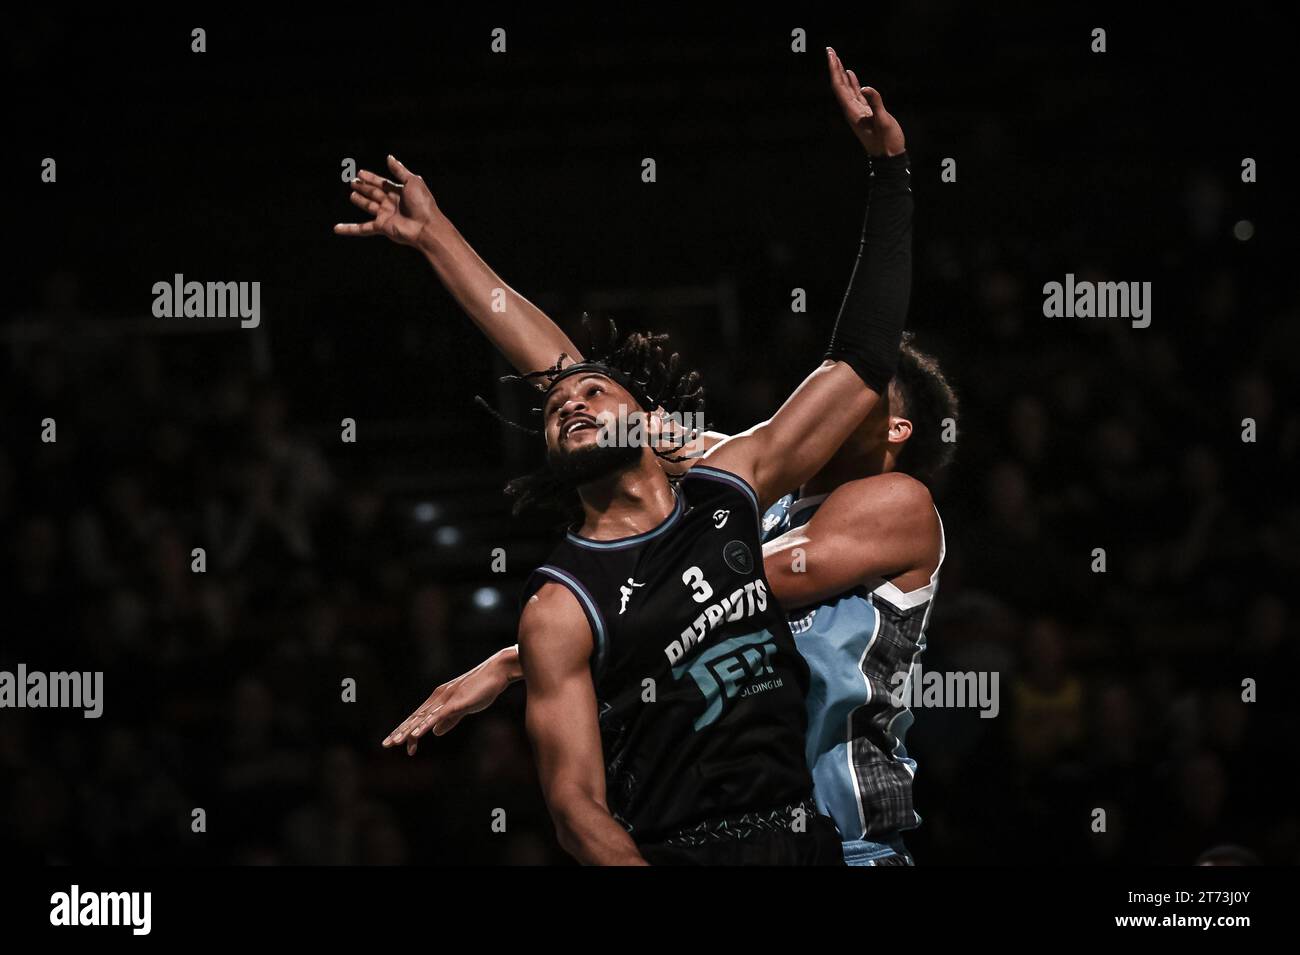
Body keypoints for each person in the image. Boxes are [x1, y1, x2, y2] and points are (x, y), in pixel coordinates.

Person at [345, 48, 918, 864]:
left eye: (594, 394)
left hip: (829, 836)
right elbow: (577, 809)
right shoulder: (561, 601)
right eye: (554, 406)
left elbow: (860, 358)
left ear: (650, 424)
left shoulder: (742, 489)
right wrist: (434, 237)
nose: (570, 400)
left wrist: (890, 172)